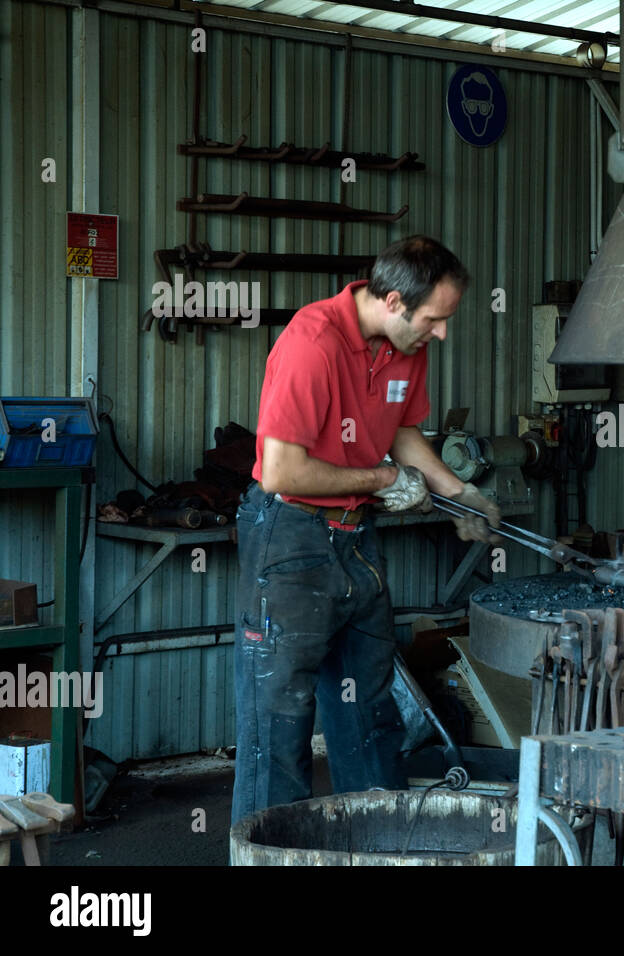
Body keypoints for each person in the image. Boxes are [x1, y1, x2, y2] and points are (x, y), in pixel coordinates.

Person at [231, 235, 500, 825]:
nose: (442, 333)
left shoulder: (407, 345)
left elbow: (402, 428)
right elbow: (280, 470)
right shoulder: (312, 341)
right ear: (396, 301)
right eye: (435, 319)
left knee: (369, 711)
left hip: (356, 539)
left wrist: (457, 493)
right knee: (279, 718)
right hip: (290, 538)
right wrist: (380, 478)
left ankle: (377, 847)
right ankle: (271, 858)